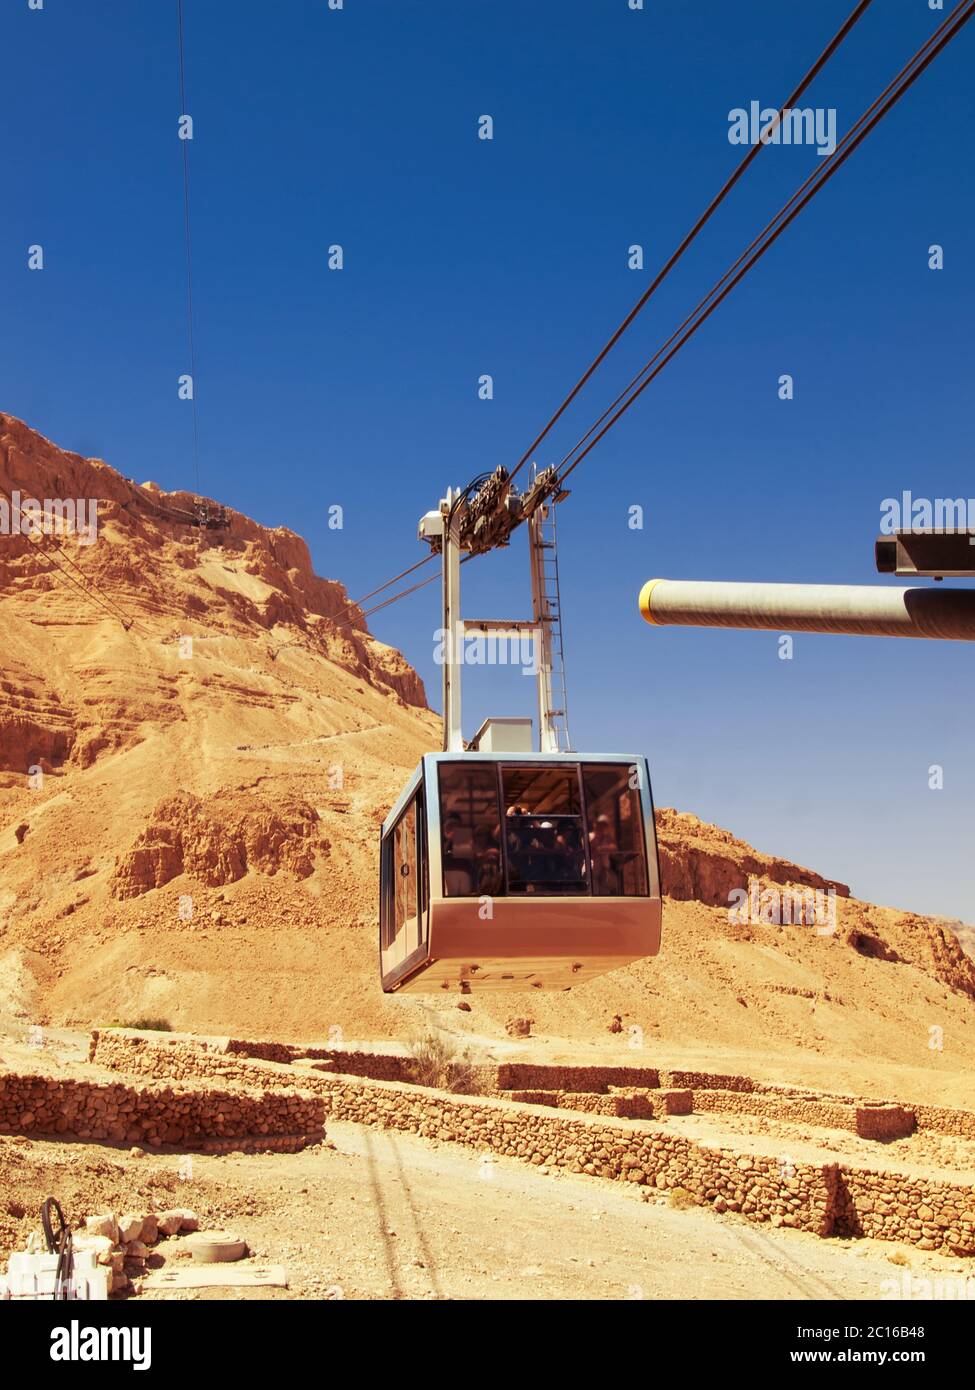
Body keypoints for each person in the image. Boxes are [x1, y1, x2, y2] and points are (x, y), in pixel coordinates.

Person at [589, 813, 620, 895]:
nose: (601, 827)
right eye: (600, 825)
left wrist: (600, 849)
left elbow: (614, 848)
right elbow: (589, 850)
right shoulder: (589, 836)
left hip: (604, 870)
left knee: (604, 893)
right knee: (594, 892)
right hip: (592, 870)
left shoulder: (607, 837)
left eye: (604, 825)